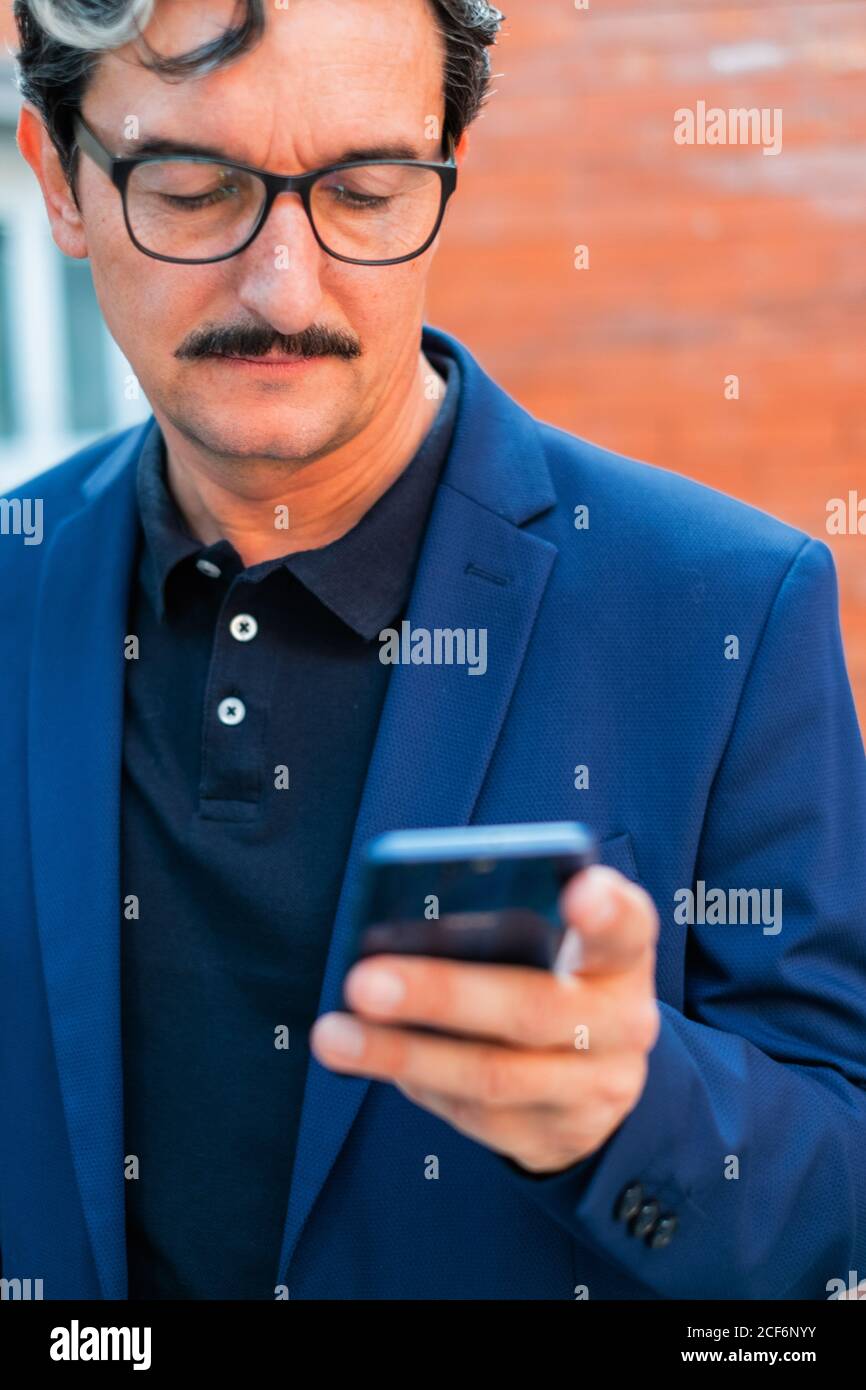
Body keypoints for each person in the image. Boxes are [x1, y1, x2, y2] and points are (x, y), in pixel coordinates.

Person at [2, 0, 865, 1301]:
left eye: (362, 190)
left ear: (450, 168)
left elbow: (837, 1208)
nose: (282, 287)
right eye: (189, 189)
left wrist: (623, 1107)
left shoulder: (728, 606)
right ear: (57, 179)